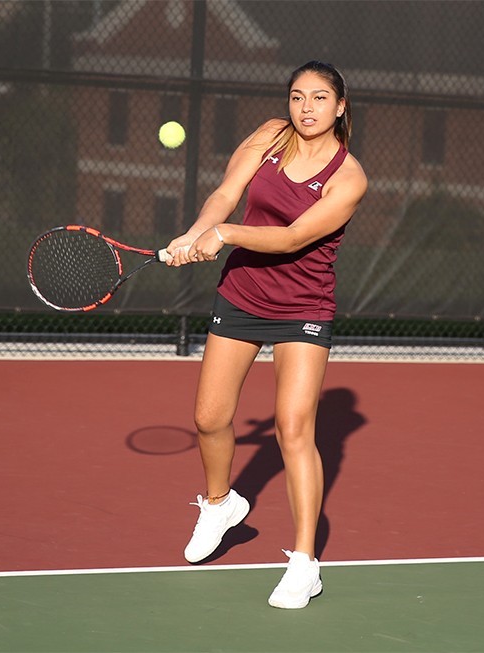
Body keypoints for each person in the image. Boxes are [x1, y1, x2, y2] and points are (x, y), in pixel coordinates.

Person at [164, 60, 367, 609]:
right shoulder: (269, 136)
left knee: (293, 428)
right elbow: (226, 193)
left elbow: (292, 238)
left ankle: (305, 563)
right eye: (298, 96)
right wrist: (196, 232)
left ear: (340, 106)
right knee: (209, 417)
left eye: (320, 98)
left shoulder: (349, 178)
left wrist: (224, 235)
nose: (306, 108)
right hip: (242, 296)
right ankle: (220, 505)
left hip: (304, 306)